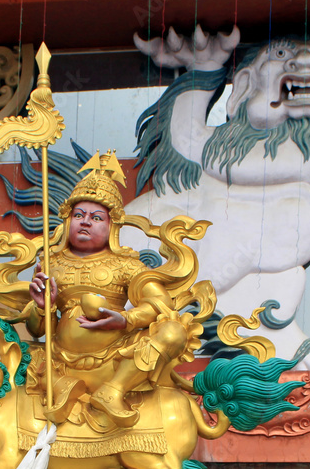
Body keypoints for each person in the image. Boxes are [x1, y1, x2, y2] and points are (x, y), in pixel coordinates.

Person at [23, 151, 194, 426]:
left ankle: (113, 391)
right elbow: (38, 330)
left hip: (115, 359)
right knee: (16, 351)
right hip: (61, 359)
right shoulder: (50, 264)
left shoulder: (126, 264)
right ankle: (64, 387)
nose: (86, 221)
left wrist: (125, 320)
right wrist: (44, 306)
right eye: (78, 215)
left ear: (112, 226)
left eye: (96, 217)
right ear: (67, 221)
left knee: (174, 331)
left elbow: (161, 304)